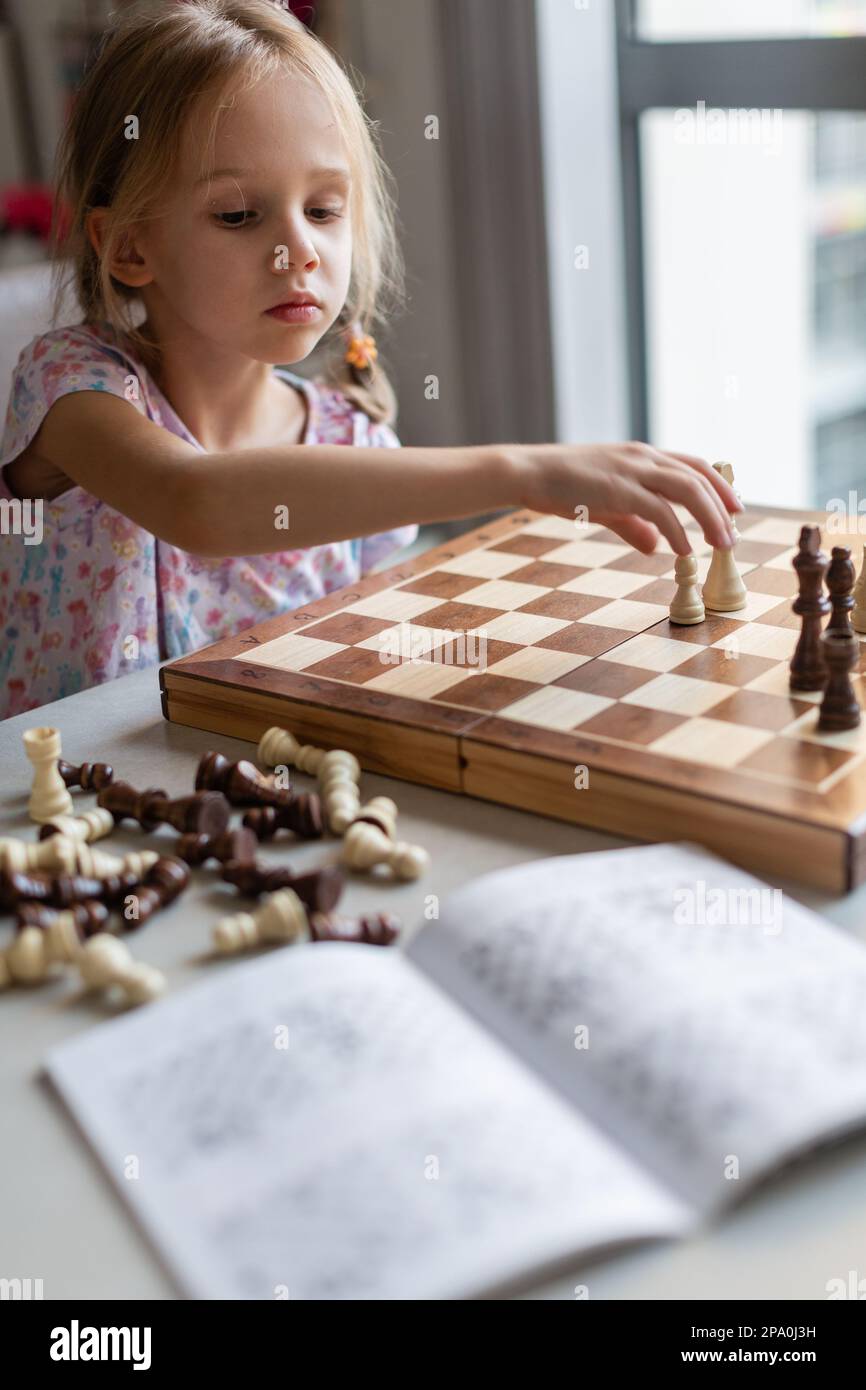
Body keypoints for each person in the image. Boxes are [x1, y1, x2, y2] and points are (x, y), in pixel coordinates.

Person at [0, 0, 740, 719]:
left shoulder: (351, 444)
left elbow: (362, 659)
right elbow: (195, 501)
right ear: (129, 246)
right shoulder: (76, 387)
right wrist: (525, 470)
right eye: (237, 215)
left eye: (324, 210)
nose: (300, 252)